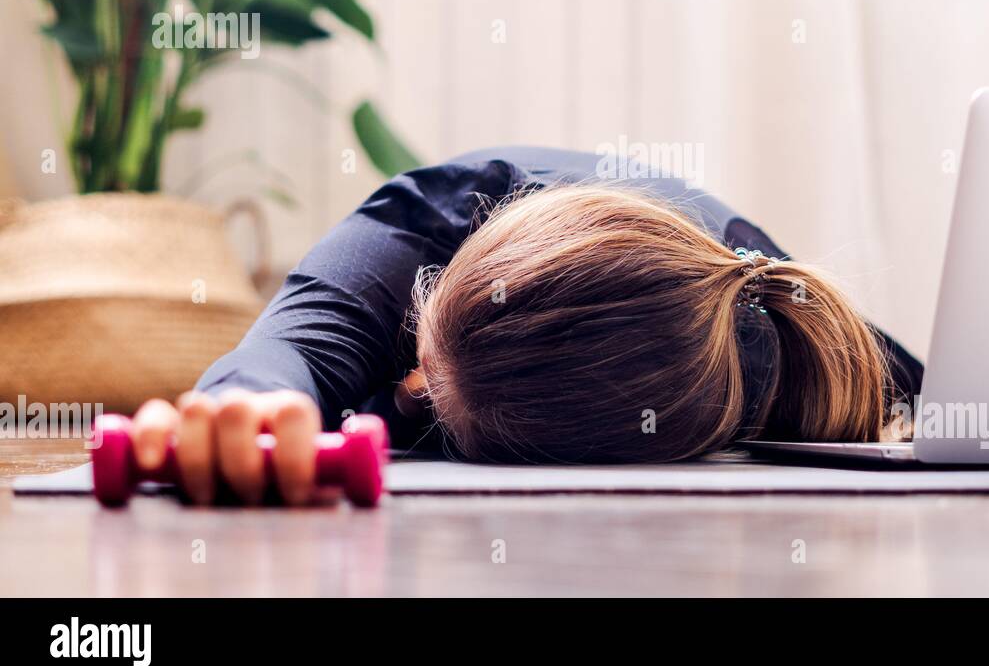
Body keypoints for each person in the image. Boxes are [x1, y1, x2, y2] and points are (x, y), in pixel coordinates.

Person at [127, 147, 923, 505]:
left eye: (428, 409)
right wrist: (253, 405)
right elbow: (287, 350)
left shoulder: (787, 324)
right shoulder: (424, 220)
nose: (412, 390)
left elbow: (937, 391)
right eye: (418, 378)